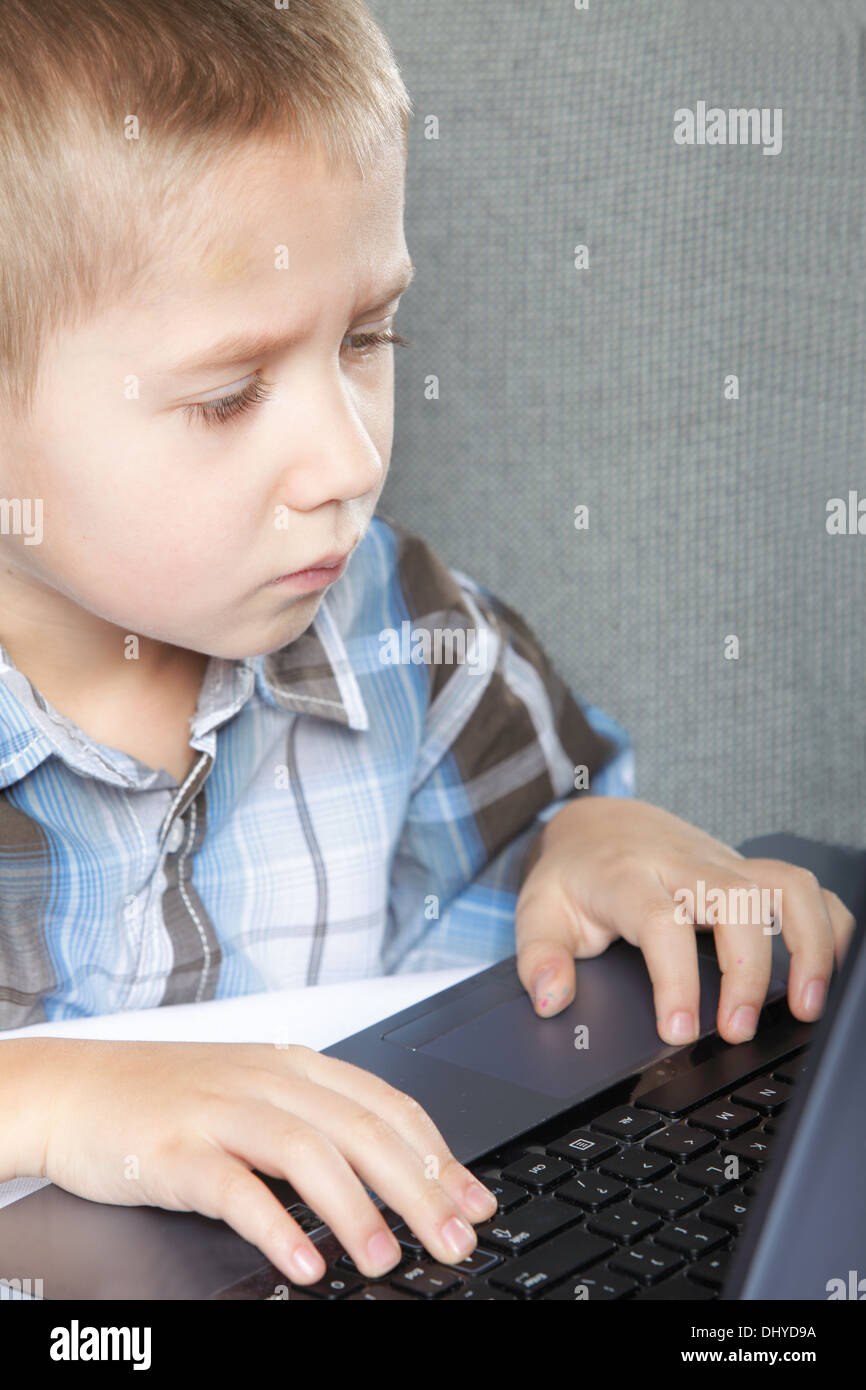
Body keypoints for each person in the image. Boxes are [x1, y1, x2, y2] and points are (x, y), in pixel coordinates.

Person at [0, 0, 853, 1288]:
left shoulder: (405, 633)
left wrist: (592, 846)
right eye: (228, 395)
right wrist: (55, 1102)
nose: (350, 463)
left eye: (365, 339)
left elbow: (531, 854)